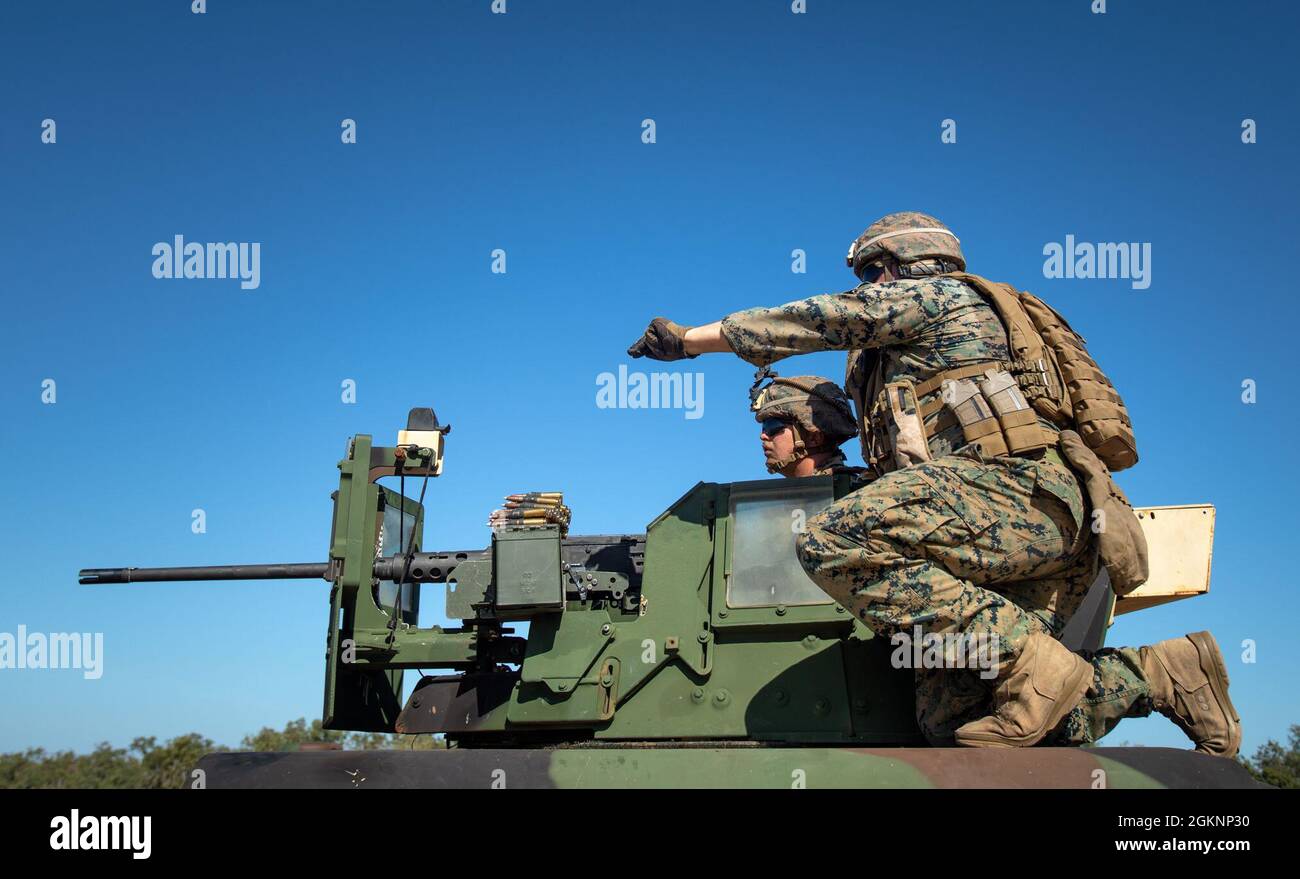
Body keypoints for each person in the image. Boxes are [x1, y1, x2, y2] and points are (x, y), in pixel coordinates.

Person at [628, 211, 1240, 755]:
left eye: (873, 274)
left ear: (901, 267)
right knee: (954, 724)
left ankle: (1033, 665)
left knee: (833, 540)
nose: (867, 287)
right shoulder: (930, 343)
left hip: (1018, 495)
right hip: (1017, 525)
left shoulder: (938, 298)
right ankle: (1164, 673)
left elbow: (817, 320)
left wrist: (688, 341)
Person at [749, 374, 863, 478]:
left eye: (772, 426)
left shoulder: (852, 496)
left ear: (814, 437)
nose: (763, 436)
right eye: (764, 426)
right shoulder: (795, 496)